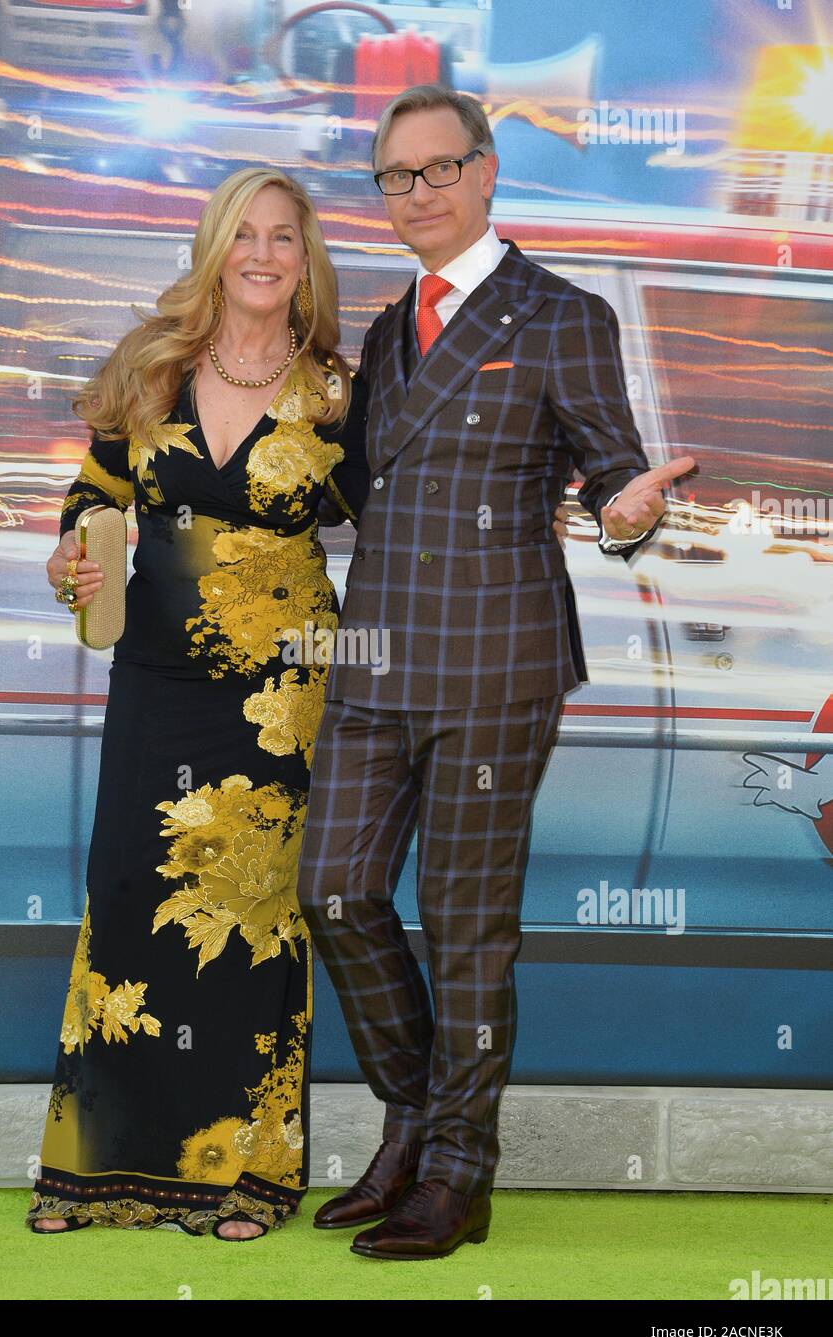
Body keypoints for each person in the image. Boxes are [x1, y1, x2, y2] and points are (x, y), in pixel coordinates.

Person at [27, 162, 572, 1243]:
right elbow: (93, 493)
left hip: (279, 692)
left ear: (304, 257)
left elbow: (408, 509)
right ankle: (96, 1170)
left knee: (258, 919)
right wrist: (66, 559)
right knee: (131, 900)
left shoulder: (337, 391)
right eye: (247, 235)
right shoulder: (147, 365)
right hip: (152, 676)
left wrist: (524, 523)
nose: (265, 255)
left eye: (286, 237)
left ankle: (246, 1177)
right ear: (216, 247)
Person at [297, 84, 695, 1260]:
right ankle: (416, 1115)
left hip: (493, 659)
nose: (414, 194)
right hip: (373, 656)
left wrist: (624, 516)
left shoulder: (558, 314)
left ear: (484, 172)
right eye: (392, 176)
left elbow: (613, 481)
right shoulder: (381, 330)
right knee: (332, 889)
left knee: (465, 926)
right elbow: (349, 499)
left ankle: (457, 1173)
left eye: (436, 169)